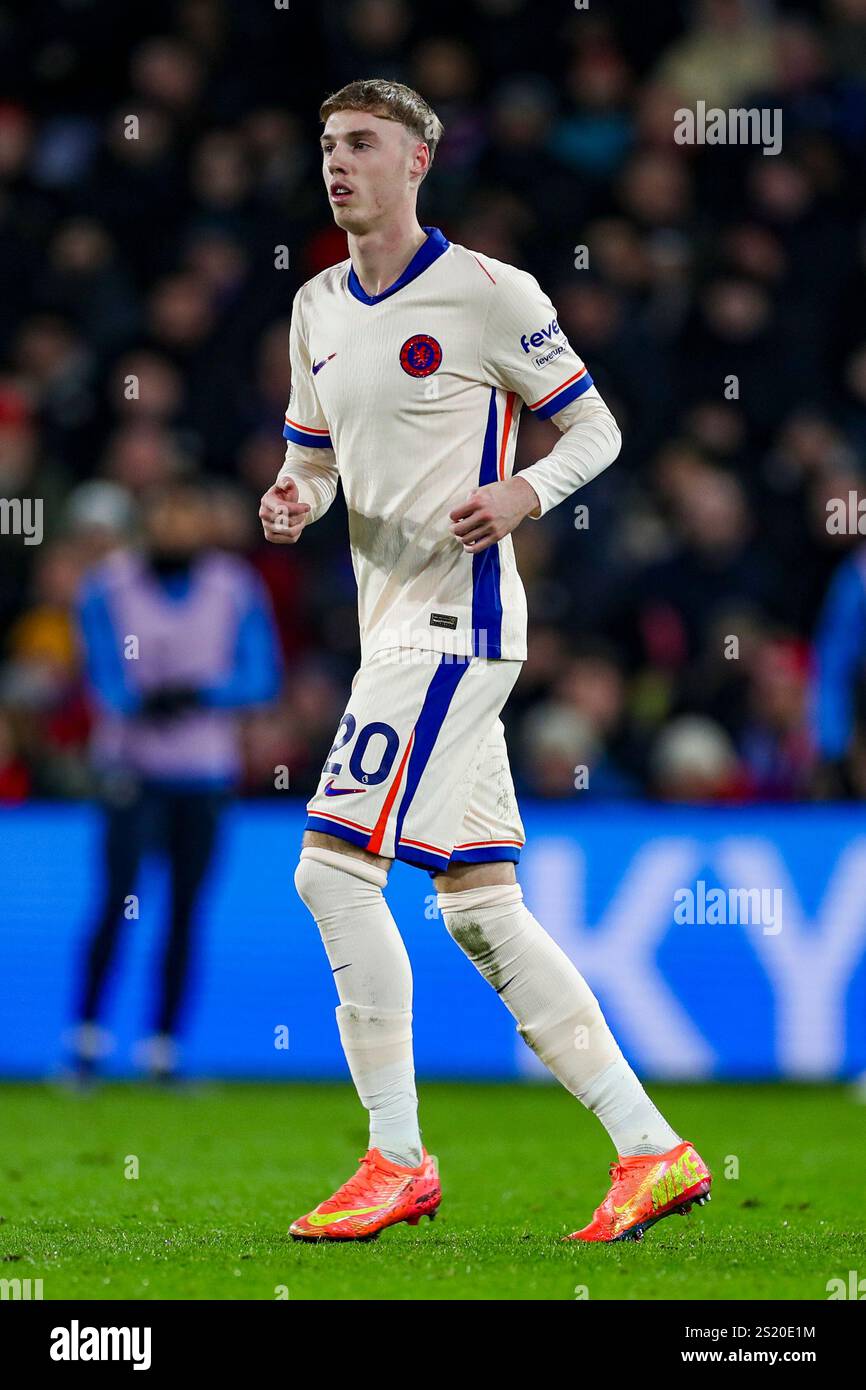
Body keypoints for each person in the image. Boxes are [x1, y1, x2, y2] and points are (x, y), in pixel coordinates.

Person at [259, 79, 712, 1243]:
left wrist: (523, 491)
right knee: (479, 909)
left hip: (453, 627)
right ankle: (650, 1149)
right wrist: (294, 496)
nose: (338, 163)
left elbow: (596, 427)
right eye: (327, 144)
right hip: (391, 626)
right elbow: (313, 458)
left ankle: (395, 1157)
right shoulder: (315, 305)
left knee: (330, 873)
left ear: (417, 160)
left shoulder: (487, 292)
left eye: (362, 144)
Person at [72, 479, 282, 1081]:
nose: (175, 527)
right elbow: (100, 671)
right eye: (166, 515)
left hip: (203, 772)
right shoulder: (106, 585)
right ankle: (87, 1037)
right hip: (130, 767)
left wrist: (201, 695)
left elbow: (261, 675)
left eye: (186, 515)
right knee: (116, 900)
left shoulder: (234, 586)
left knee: (186, 909)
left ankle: (164, 1045)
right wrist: (137, 703)